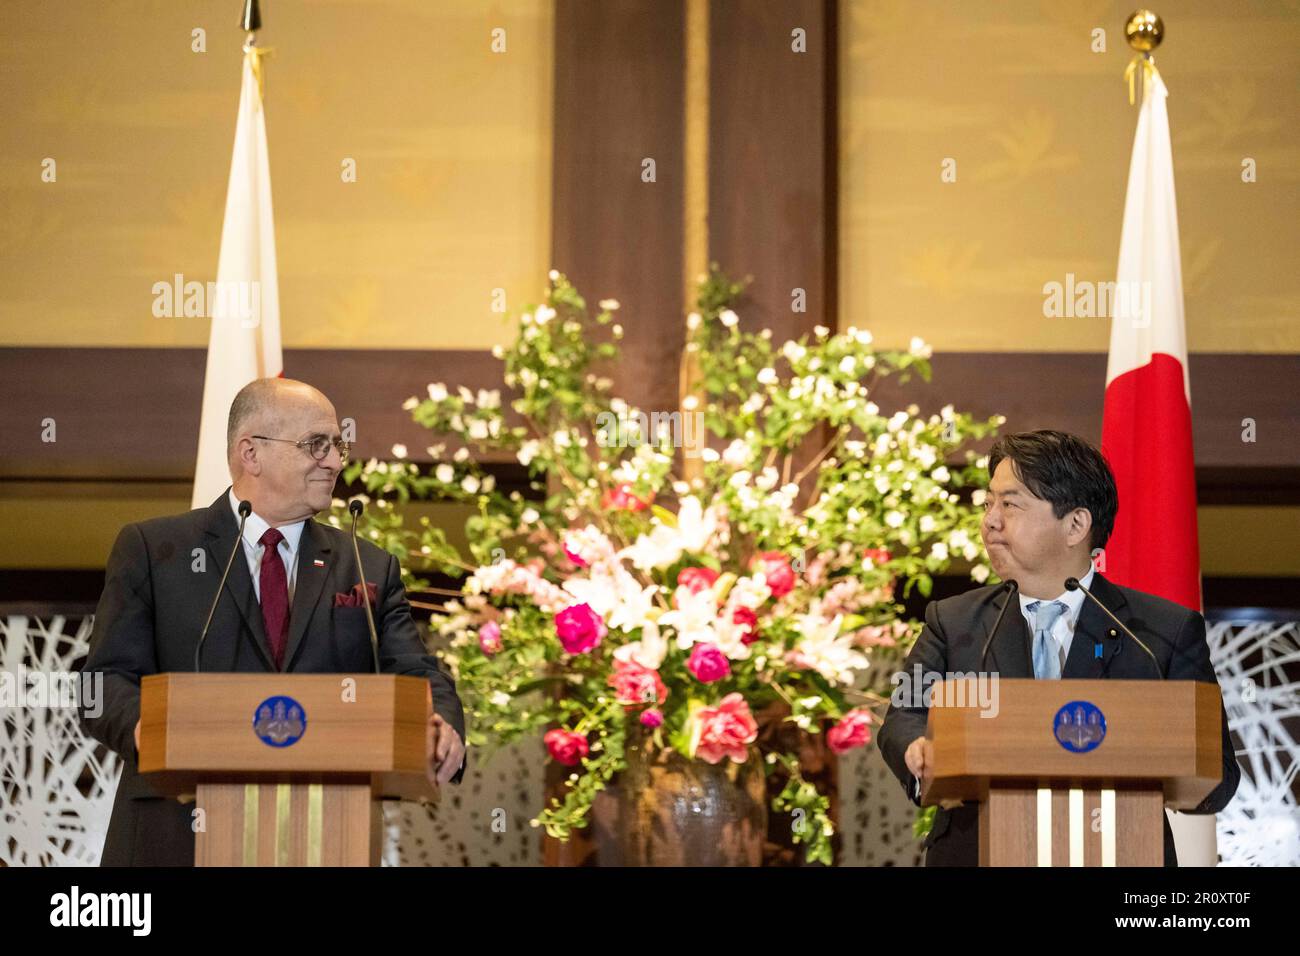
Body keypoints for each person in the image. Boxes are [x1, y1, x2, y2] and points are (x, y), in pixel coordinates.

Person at [80, 377, 467, 866]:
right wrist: (149, 729)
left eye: (337, 445)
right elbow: (103, 680)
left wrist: (444, 723)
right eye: (316, 445)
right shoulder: (157, 551)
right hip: (175, 834)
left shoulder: (367, 567)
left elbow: (418, 672)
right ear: (251, 453)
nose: (334, 461)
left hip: (326, 837)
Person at [877, 430, 1239, 866]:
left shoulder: (1160, 631)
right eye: (988, 503)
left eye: (1010, 504)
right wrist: (916, 748)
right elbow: (904, 716)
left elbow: (1218, 771)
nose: (990, 520)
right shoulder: (954, 622)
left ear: (1075, 525)